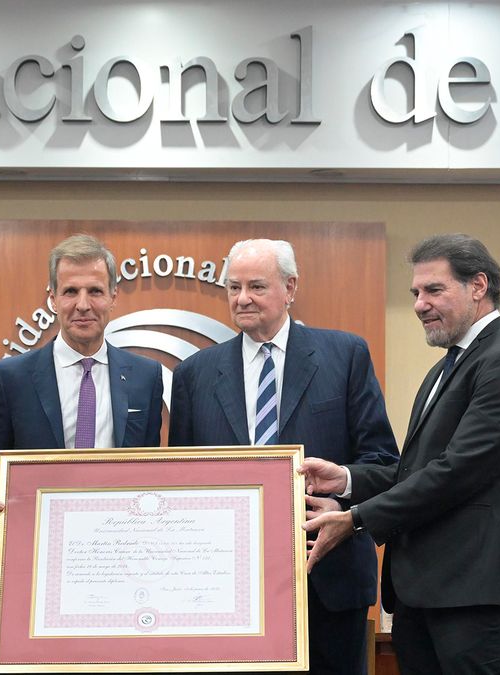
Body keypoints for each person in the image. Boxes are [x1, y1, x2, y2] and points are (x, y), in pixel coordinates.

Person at [301, 233, 500, 675]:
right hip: (421, 595)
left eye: (433, 290)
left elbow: (458, 470)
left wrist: (355, 519)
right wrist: (345, 480)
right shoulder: (447, 366)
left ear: (478, 286)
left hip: (471, 594)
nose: (419, 304)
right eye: (415, 293)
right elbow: (418, 469)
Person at [169, 238, 399, 675]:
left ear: (290, 287)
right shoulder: (194, 375)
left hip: (327, 578)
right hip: (222, 591)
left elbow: (385, 462)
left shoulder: (345, 355)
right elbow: (182, 481)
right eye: (233, 287)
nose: (242, 299)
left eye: (256, 286)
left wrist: (342, 501)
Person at [0, 234, 164, 528]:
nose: (83, 305)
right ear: (52, 298)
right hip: (39, 535)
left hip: (123, 541)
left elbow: (151, 470)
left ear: (113, 296)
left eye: (95, 291)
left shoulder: (146, 377)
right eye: (71, 291)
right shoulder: (12, 378)